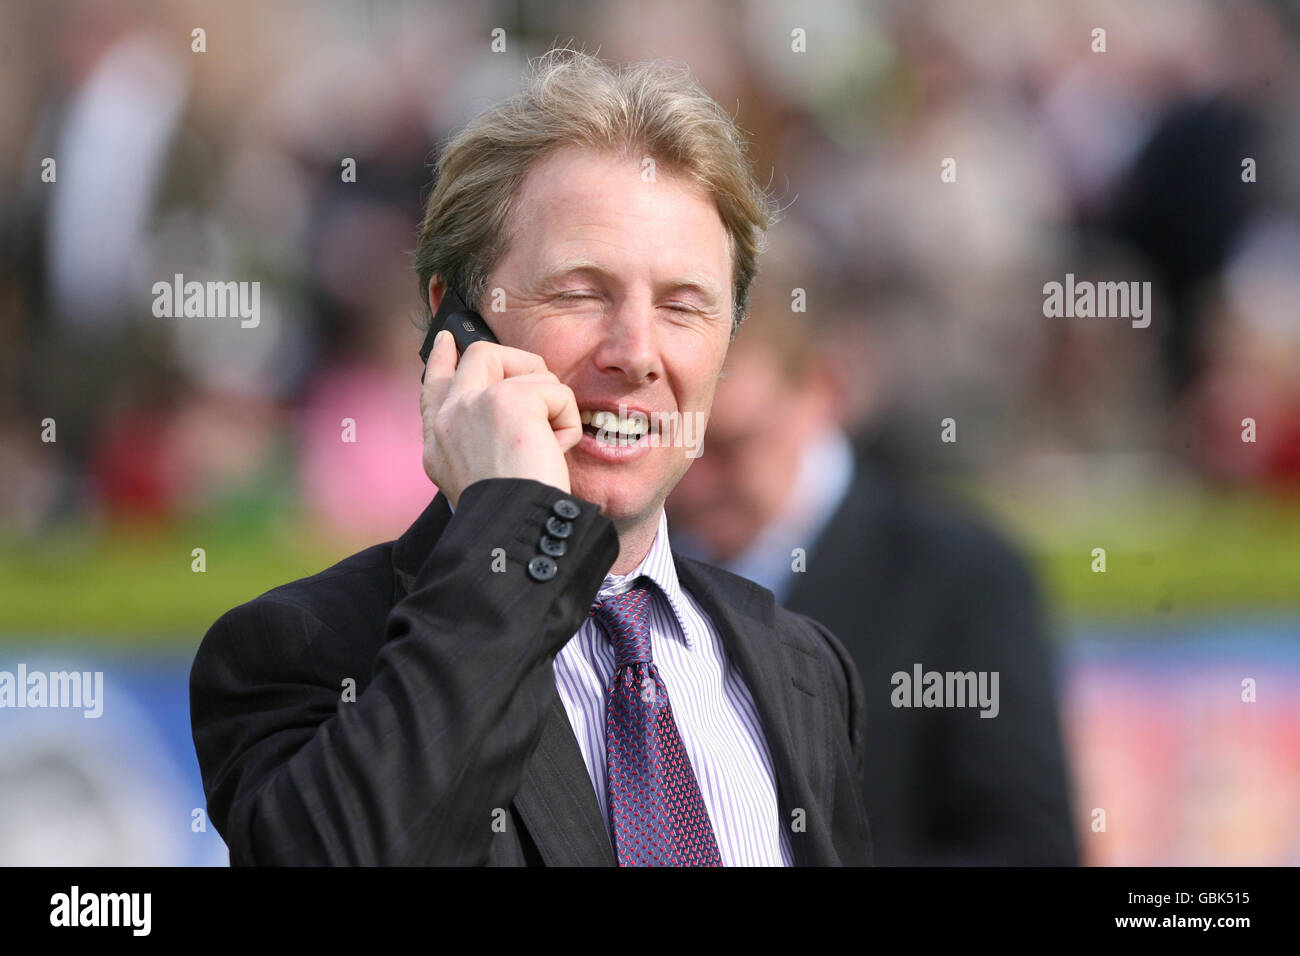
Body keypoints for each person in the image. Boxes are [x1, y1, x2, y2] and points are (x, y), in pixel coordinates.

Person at [189, 49, 872, 867]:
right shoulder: (303, 651)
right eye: (580, 292)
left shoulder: (803, 668)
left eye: (685, 306)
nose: (636, 353)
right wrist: (509, 523)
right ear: (457, 324)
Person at [668, 253, 1080, 865]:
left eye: (727, 445)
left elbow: (1032, 850)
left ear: (824, 390)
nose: (691, 484)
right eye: (671, 438)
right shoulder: (622, 567)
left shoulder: (960, 576)